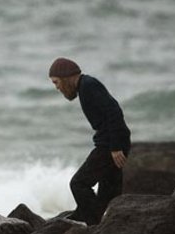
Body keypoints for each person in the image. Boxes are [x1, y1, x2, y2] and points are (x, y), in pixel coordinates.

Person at [48, 57, 131, 225]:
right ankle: (95, 220)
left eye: (56, 82)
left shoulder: (88, 85)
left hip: (109, 146)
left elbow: (114, 112)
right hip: (113, 142)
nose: (57, 88)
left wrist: (115, 147)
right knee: (108, 196)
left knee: (79, 184)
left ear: (66, 77)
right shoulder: (85, 86)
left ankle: (94, 224)